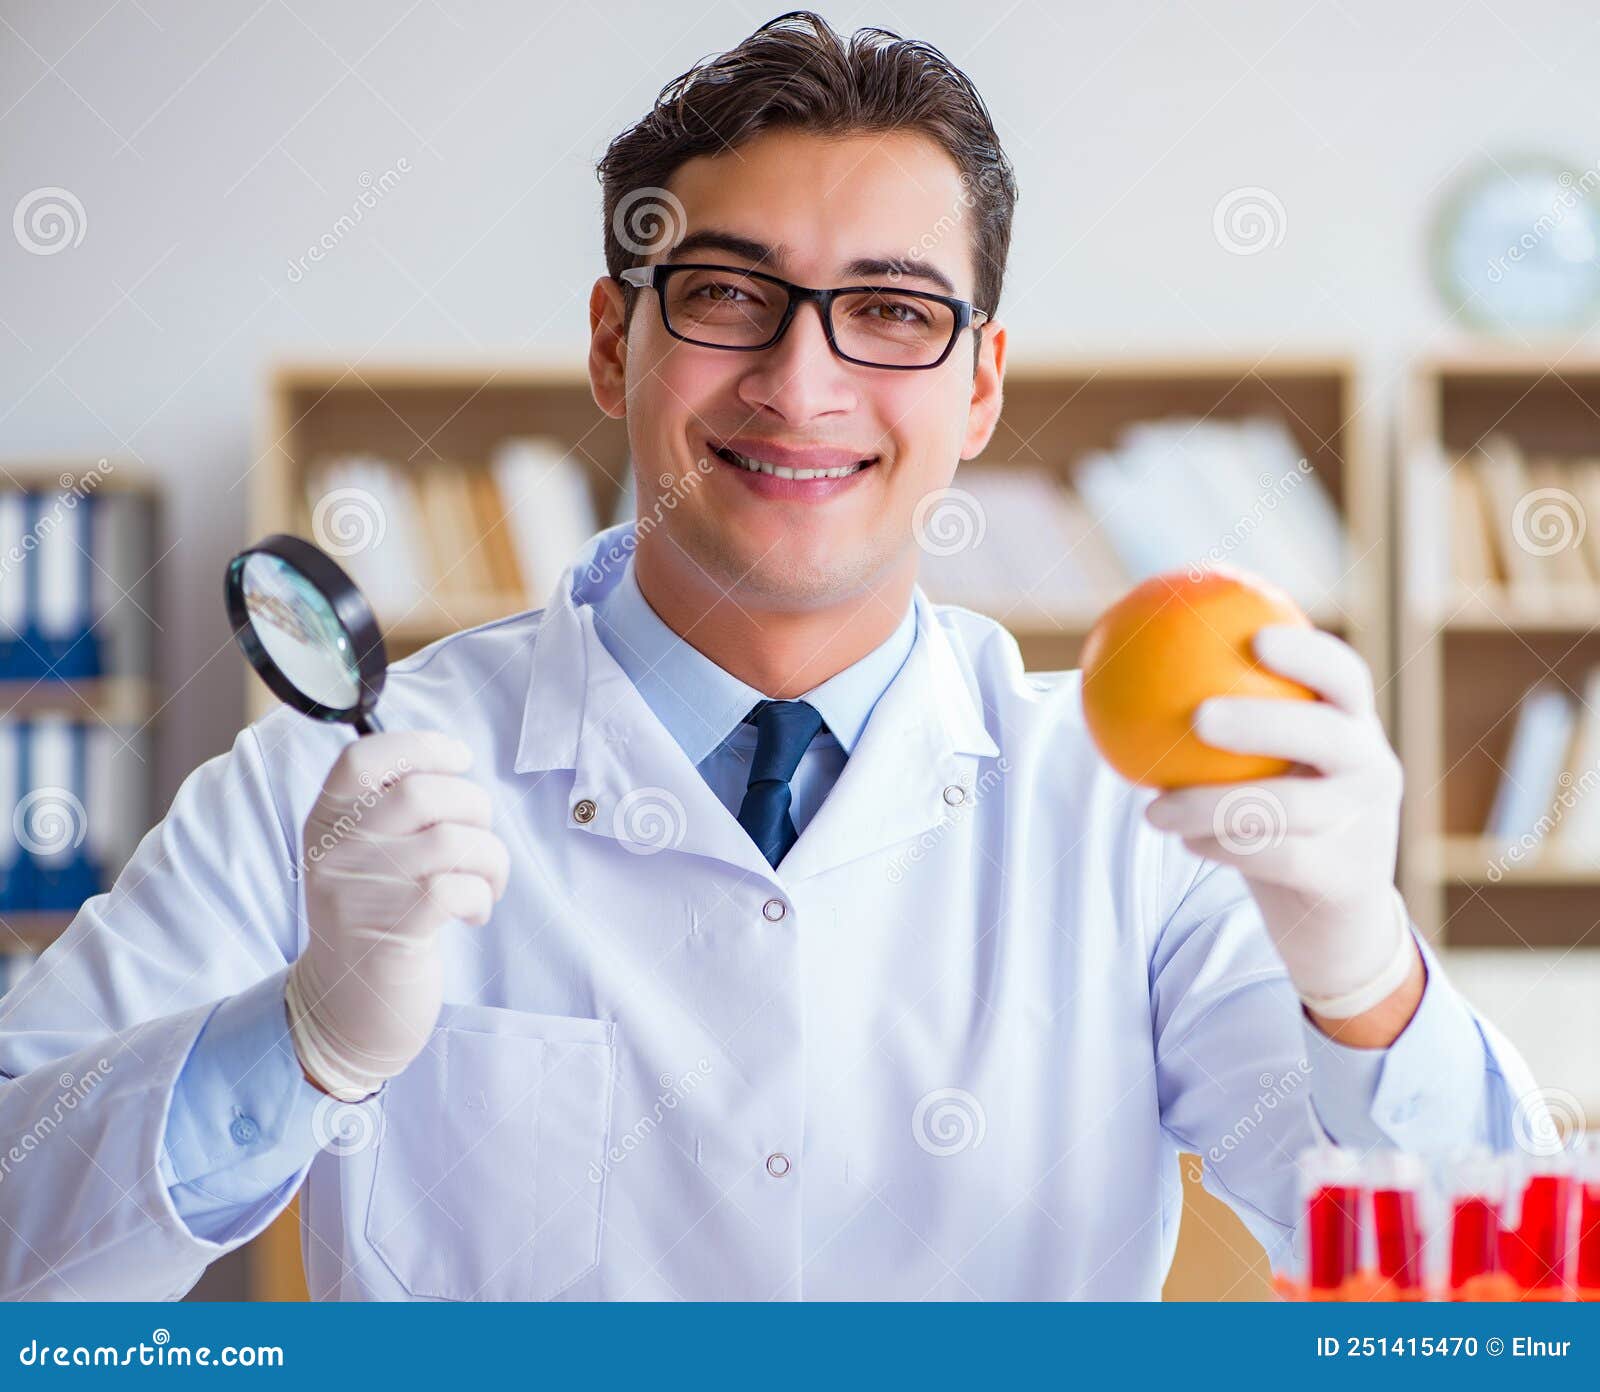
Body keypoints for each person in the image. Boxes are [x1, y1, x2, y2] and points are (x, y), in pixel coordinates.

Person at [0, 12, 1540, 1302]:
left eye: (889, 310)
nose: (803, 384)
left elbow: (1473, 1311)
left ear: (982, 387)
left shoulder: (1141, 815)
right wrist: (305, 1039)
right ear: (616, 343)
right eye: (730, 296)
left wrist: (1363, 982)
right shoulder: (325, 791)